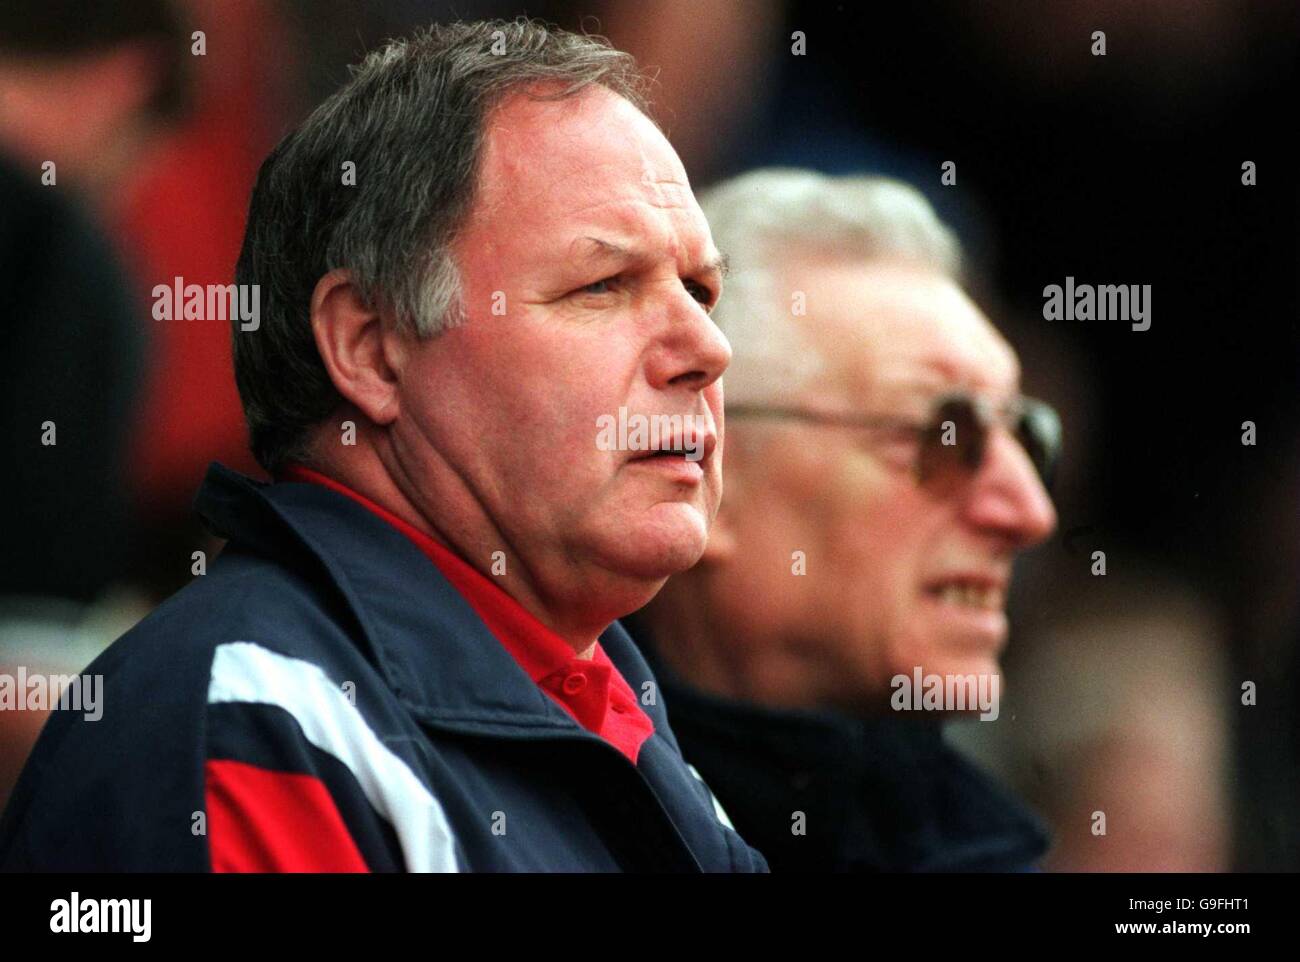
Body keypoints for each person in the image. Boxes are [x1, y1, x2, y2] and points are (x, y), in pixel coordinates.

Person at [0, 20, 764, 873]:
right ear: (368, 347)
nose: (707, 347)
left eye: (701, 290)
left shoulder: (621, 712)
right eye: (603, 286)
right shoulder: (256, 719)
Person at [627, 168, 1059, 871]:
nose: (1029, 513)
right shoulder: (507, 822)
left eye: (1026, 436)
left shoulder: (978, 844)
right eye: (941, 436)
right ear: (704, 462)